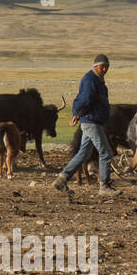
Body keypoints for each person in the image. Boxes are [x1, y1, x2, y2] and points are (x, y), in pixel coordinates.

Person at [52, 54, 116, 194]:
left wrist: (78, 114)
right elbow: (85, 99)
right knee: (106, 152)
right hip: (92, 122)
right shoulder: (90, 80)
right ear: (96, 66)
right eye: (102, 66)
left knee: (84, 153)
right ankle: (104, 186)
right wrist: (77, 113)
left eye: (107, 67)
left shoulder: (97, 80)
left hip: (92, 121)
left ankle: (62, 179)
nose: (105, 69)